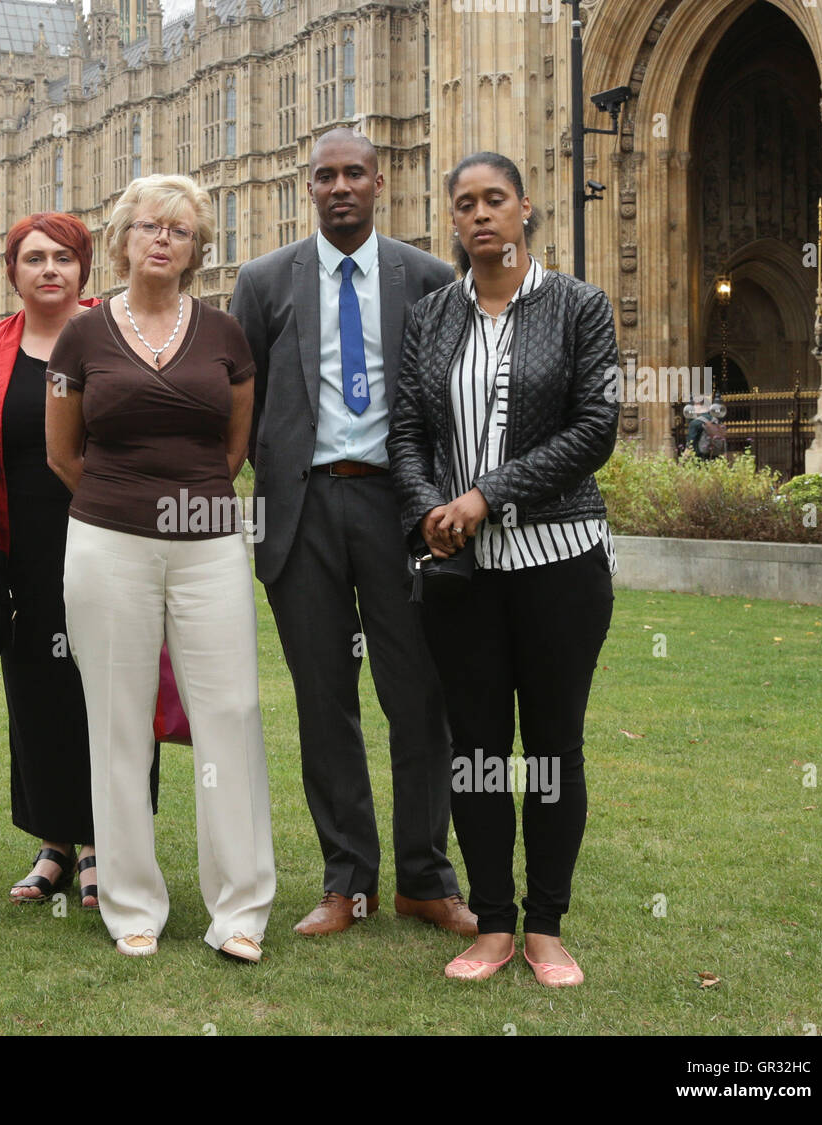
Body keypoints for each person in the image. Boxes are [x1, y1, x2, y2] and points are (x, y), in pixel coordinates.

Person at [229, 126, 475, 939]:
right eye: (325, 176)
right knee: (324, 700)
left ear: (381, 183)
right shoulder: (264, 282)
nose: (340, 187)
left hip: (400, 511)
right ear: (309, 187)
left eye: (354, 175)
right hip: (302, 513)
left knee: (420, 697)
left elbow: (455, 403)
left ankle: (425, 879)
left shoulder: (433, 278)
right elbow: (246, 405)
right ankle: (347, 883)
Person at [387, 152, 619, 986]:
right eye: (465, 204)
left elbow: (595, 429)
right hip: (461, 574)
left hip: (559, 561)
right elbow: (407, 430)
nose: (480, 215)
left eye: (495, 200)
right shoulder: (434, 316)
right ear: (452, 220)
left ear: (526, 209)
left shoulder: (579, 306)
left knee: (552, 745)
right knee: (477, 747)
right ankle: (491, 922)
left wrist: (484, 495)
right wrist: (428, 511)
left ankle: (547, 926)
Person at [47, 174, 275, 962]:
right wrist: (126, 503)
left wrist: (189, 503)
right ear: (120, 240)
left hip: (210, 541)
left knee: (232, 714)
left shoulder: (225, 334)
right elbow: (60, 451)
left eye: (179, 230)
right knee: (117, 720)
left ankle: (241, 910)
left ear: (196, 249)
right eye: (148, 225)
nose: (162, 239)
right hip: (108, 540)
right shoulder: (80, 337)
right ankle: (131, 904)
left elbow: (235, 443)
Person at [0, 213, 107, 908]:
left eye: (64, 258)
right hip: (20, 544)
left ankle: (105, 843)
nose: (50, 269)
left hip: (107, 536)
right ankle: (54, 841)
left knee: (108, 692)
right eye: (34, 258)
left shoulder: (115, 332)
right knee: (37, 696)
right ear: (11, 272)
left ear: (84, 269)